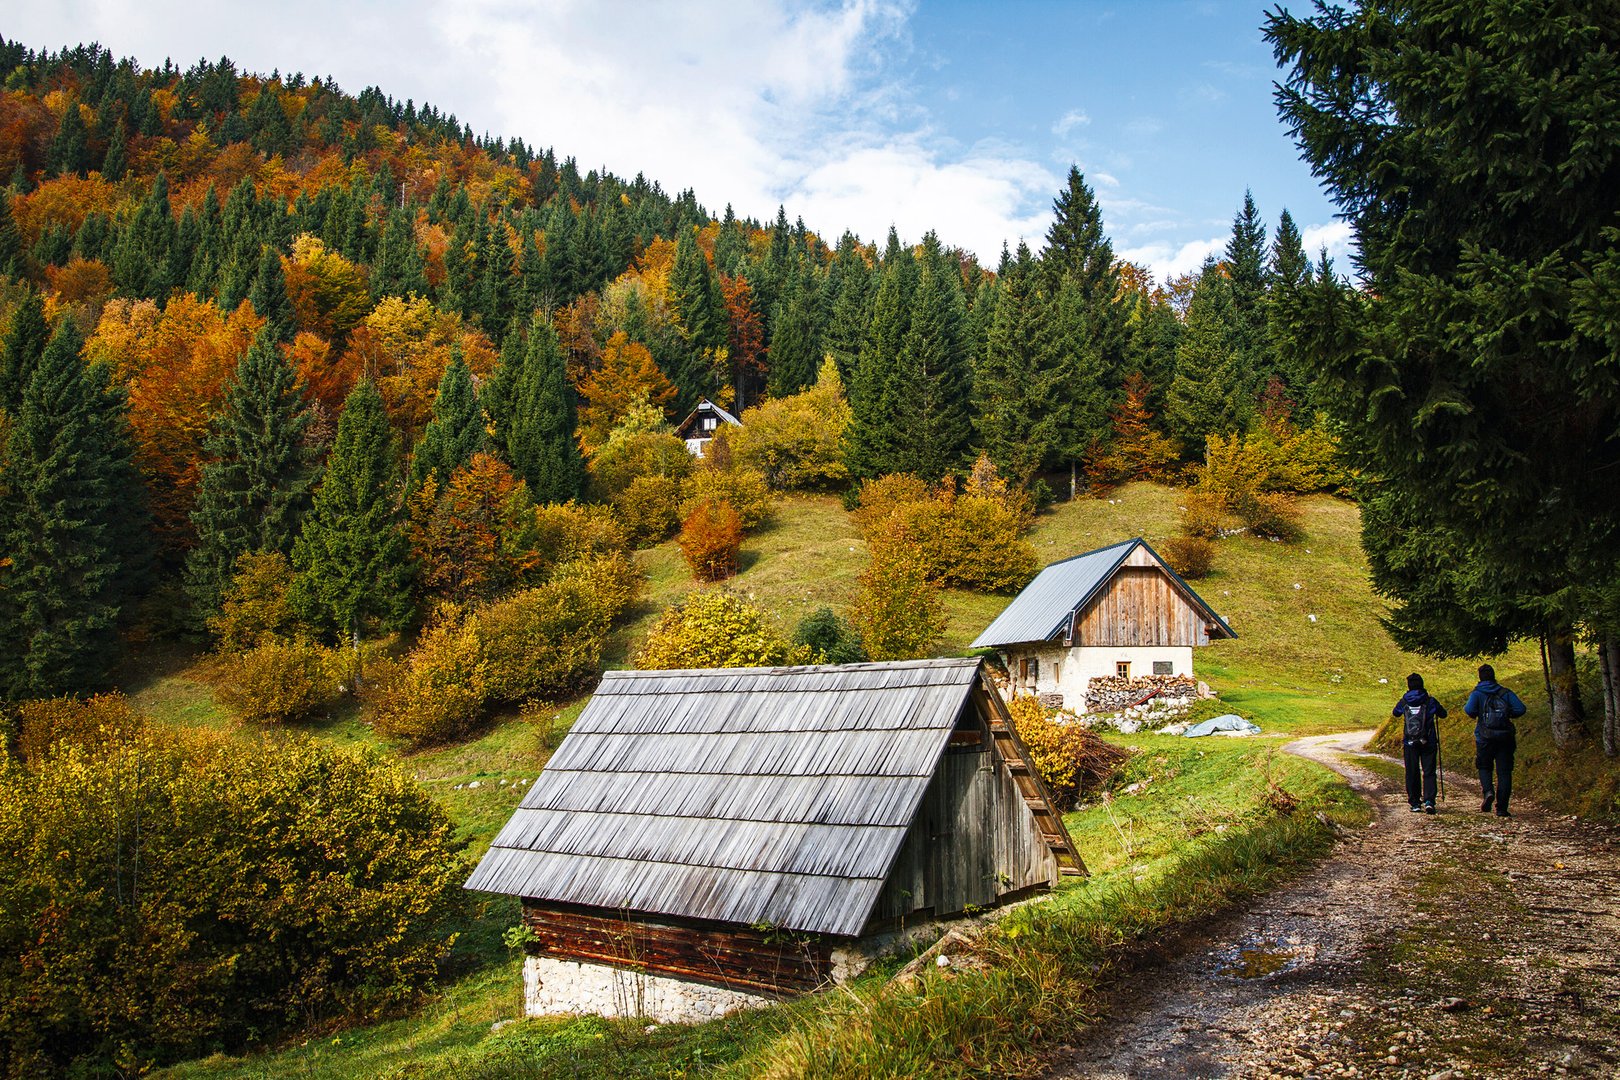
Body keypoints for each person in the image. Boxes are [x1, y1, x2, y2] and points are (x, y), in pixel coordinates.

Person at [1464, 663, 1527, 818]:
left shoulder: (1477, 693)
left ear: (1480, 677)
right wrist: (1507, 715)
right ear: (1493, 676)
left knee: (1484, 766)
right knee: (1504, 771)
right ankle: (1502, 808)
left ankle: (1488, 791)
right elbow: (1521, 709)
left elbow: (1469, 710)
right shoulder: (1505, 692)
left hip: (1484, 736)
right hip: (1505, 736)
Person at [1393, 672, 1446, 813]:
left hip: (1409, 741)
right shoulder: (1430, 701)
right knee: (1429, 771)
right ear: (1422, 685)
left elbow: (1396, 713)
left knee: (1412, 771)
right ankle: (1429, 801)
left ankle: (1415, 803)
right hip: (1428, 741)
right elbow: (1443, 714)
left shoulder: (1404, 701)